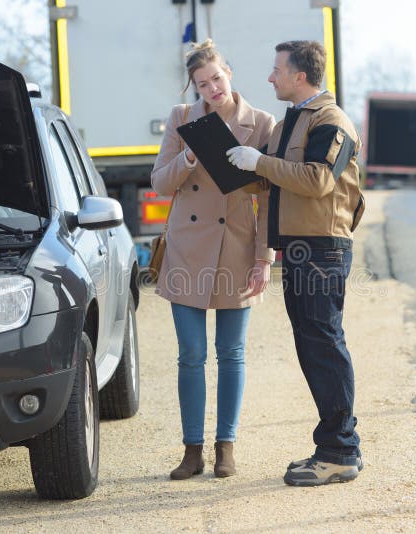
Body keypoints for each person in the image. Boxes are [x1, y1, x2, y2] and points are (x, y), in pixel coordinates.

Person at [227, 40, 365, 487]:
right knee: (314, 347)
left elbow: (319, 181)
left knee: (324, 347)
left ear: (300, 75)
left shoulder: (330, 121)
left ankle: (340, 452)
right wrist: (233, 164)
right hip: (301, 248)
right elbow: (274, 182)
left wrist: (261, 162)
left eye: (277, 70)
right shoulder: (294, 121)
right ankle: (335, 447)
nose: (271, 77)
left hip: (323, 250)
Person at [151, 39, 276, 480]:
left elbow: (269, 201)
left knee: (231, 353)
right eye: (203, 84)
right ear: (195, 87)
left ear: (229, 73)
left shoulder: (261, 123)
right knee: (190, 354)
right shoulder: (182, 118)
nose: (212, 88)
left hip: (237, 249)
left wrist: (264, 259)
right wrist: (187, 156)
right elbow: (161, 182)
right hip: (187, 250)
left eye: (217, 79)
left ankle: (226, 446)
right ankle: (191, 450)